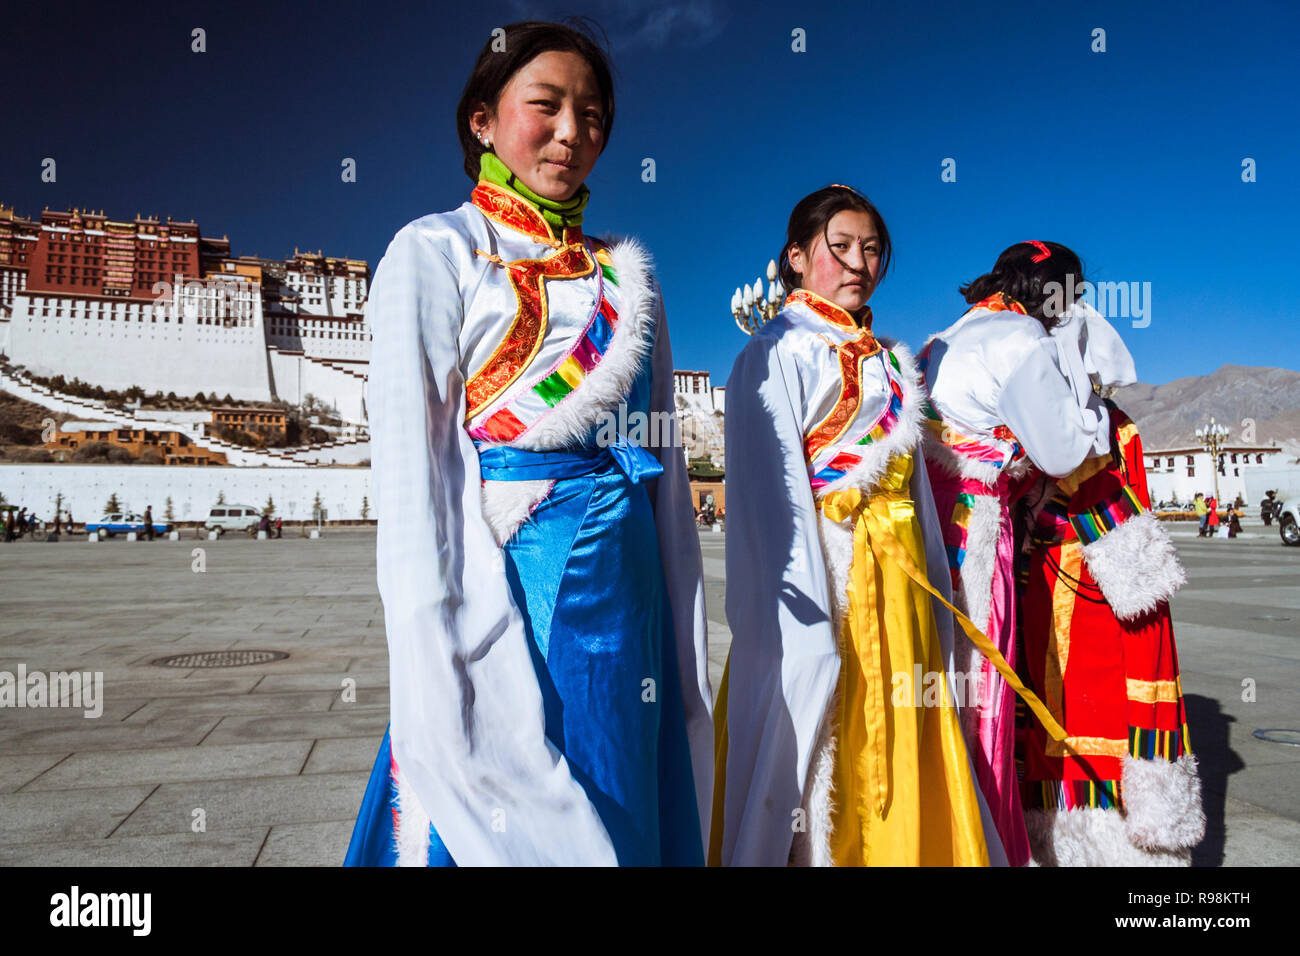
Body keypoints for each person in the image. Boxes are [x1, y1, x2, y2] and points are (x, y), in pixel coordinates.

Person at [345, 19, 710, 868]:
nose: (571, 132)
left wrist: (679, 630)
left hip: (628, 588)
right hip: (506, 576)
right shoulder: (435, 250)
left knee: (620, 777)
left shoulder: (631, 277)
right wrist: (432, 640)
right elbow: (415, 469)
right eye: (545, 106)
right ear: (483, 120)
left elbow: (663, 462)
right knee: (506, 778)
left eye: (592, 116)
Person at [713, 185, 1019, 867]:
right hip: (826, 575)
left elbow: (914, 494)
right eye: (841, 246)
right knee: (825, 734)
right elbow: (770, 502)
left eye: (873, 249)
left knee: (904, 727)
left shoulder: (890, 359)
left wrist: (940, 603)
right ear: (796, 256)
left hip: (901, 583)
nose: (859, 262)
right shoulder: (772, 352)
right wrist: (791, 621)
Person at [917, 241, 1112, 865]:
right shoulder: (1024, 339)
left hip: (926, 523)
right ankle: (985, 843)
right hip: (976, 527)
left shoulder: (941, 338)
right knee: (985, 691)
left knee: (937, 687)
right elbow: (1062, 451)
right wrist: (1093, 407)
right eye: (1073, 294)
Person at [1016, 303, 1203, 863]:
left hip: (1100, 600)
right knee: (1043, 727)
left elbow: (1127, 525)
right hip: (1039, 596)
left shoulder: (1116, 431)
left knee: (1102, 721)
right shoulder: (1029, 424)